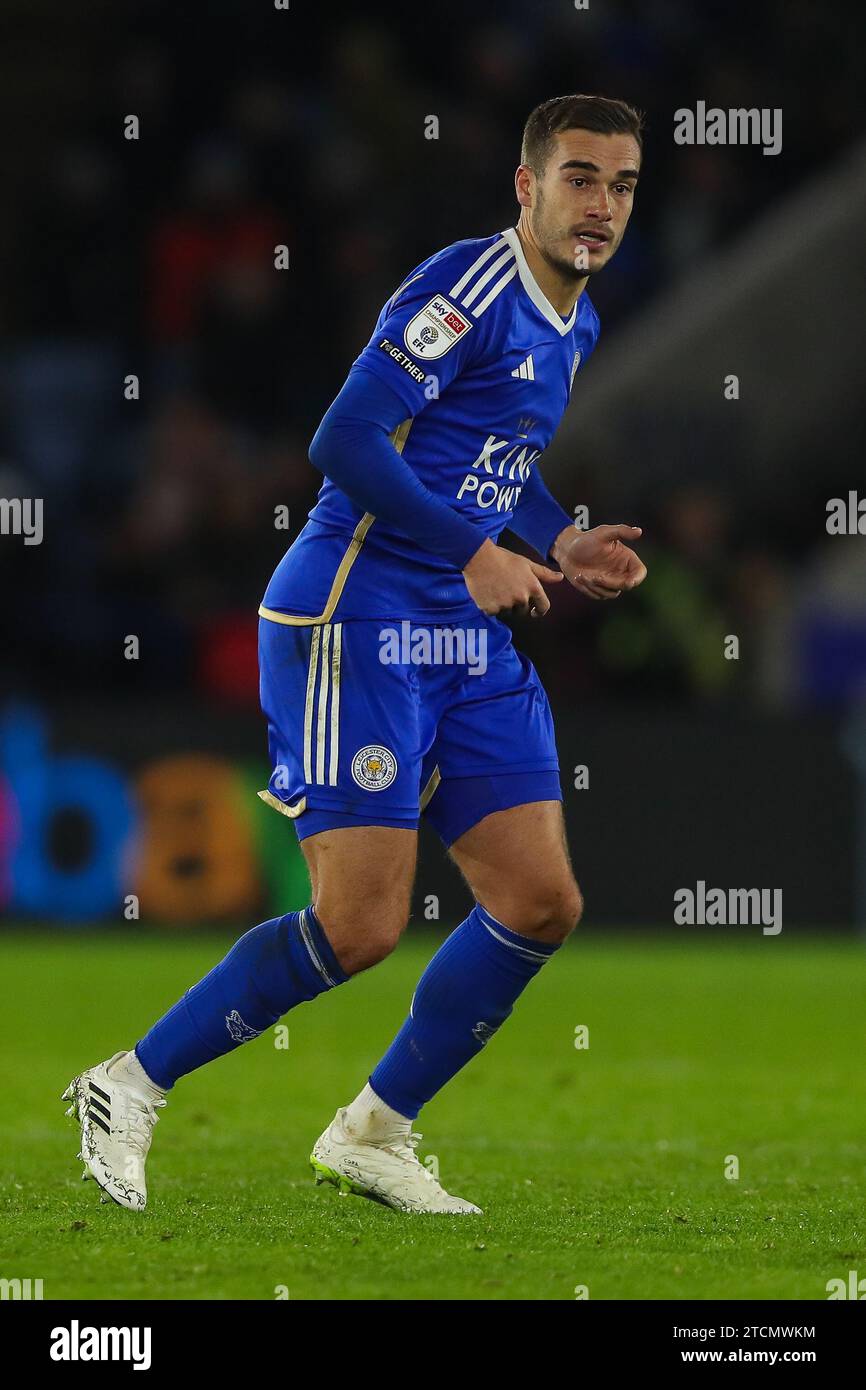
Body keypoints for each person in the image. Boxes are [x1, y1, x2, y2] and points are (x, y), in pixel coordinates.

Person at [64, 94, 647, 1215]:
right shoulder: (464, 289)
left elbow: (489, 454)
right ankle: (127, 1083)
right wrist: (472, 548)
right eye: (578, 178)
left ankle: (372, 1131)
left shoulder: (576, 320)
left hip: (458, 632)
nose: (601, 206)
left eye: (620, 186)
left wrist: (555, 534)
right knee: (362, 924)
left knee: (538, 900)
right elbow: (343, 437)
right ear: (524, 188)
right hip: (356, 616)